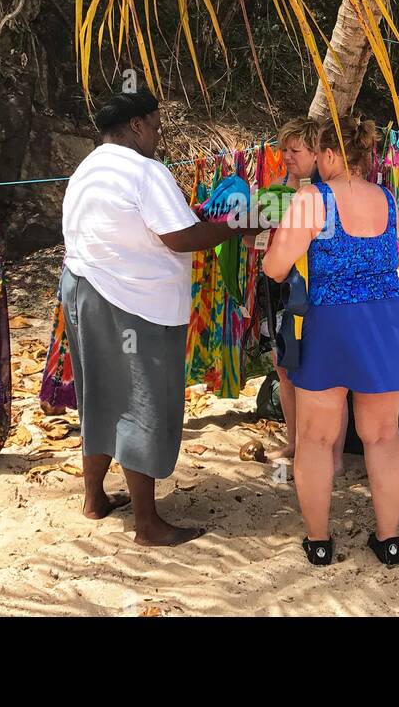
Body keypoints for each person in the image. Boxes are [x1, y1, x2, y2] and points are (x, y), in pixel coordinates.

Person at [60, 88, 248, 547]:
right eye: (157, 125)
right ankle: (148, 525)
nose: (160, 134)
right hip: (131, 303)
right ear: (138, 126)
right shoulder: (145, 171)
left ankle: (94, 499)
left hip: (83, 289)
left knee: (100, 397)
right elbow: (181, 238)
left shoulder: (89, 166)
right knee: (142, 402)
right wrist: (240, 225)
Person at [262, 115, 399, 567]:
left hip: (331, 323)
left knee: (315, 438)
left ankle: (319, 543)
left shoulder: (314, 198)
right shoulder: (387, 198)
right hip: (387, 323)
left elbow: (275, 267)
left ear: (330, 154)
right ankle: (388, 541)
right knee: (384, 436)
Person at [266, 118, 346, 472]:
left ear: (318, 153)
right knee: (284, 366)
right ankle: (296, 443)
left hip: (319, 297)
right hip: (291, 291)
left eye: (294, 150)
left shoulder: (325, 193)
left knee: (329, 379)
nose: (286, 156)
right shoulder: (285, 187)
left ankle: (334, 456)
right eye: (283, 149)